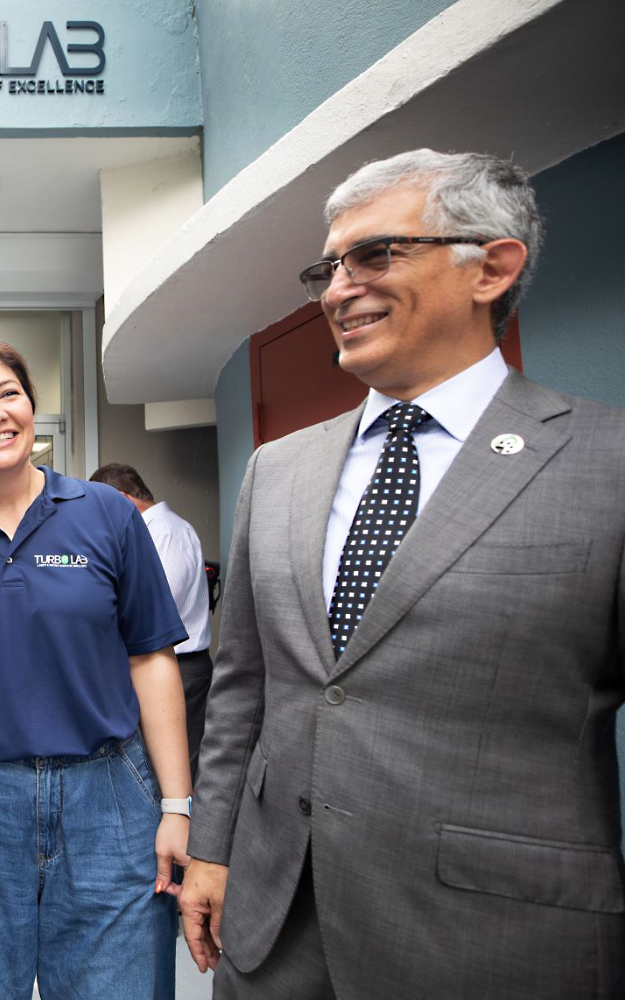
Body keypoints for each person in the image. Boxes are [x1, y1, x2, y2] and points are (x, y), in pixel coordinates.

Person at [179, 150, 625, 999]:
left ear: (491, 267)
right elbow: (243, 689)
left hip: (496, 943)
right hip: (273, 931)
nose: (338, 289)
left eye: (375, 255)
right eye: (329, 268)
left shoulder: (607, 462)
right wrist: (211, 847)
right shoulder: (277, 470)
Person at [0, 339, 193, 999]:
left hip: (108, 797)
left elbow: (153, 659)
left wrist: (177, 806)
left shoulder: (106, 516)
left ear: (30, 408)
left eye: (9, 395)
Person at [91, 463, 214, 778]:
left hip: (177, 667)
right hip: (161, 664)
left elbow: (154, 609)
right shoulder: (156, 529)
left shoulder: (165, 533)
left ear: (121, 498)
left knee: (173, 769)